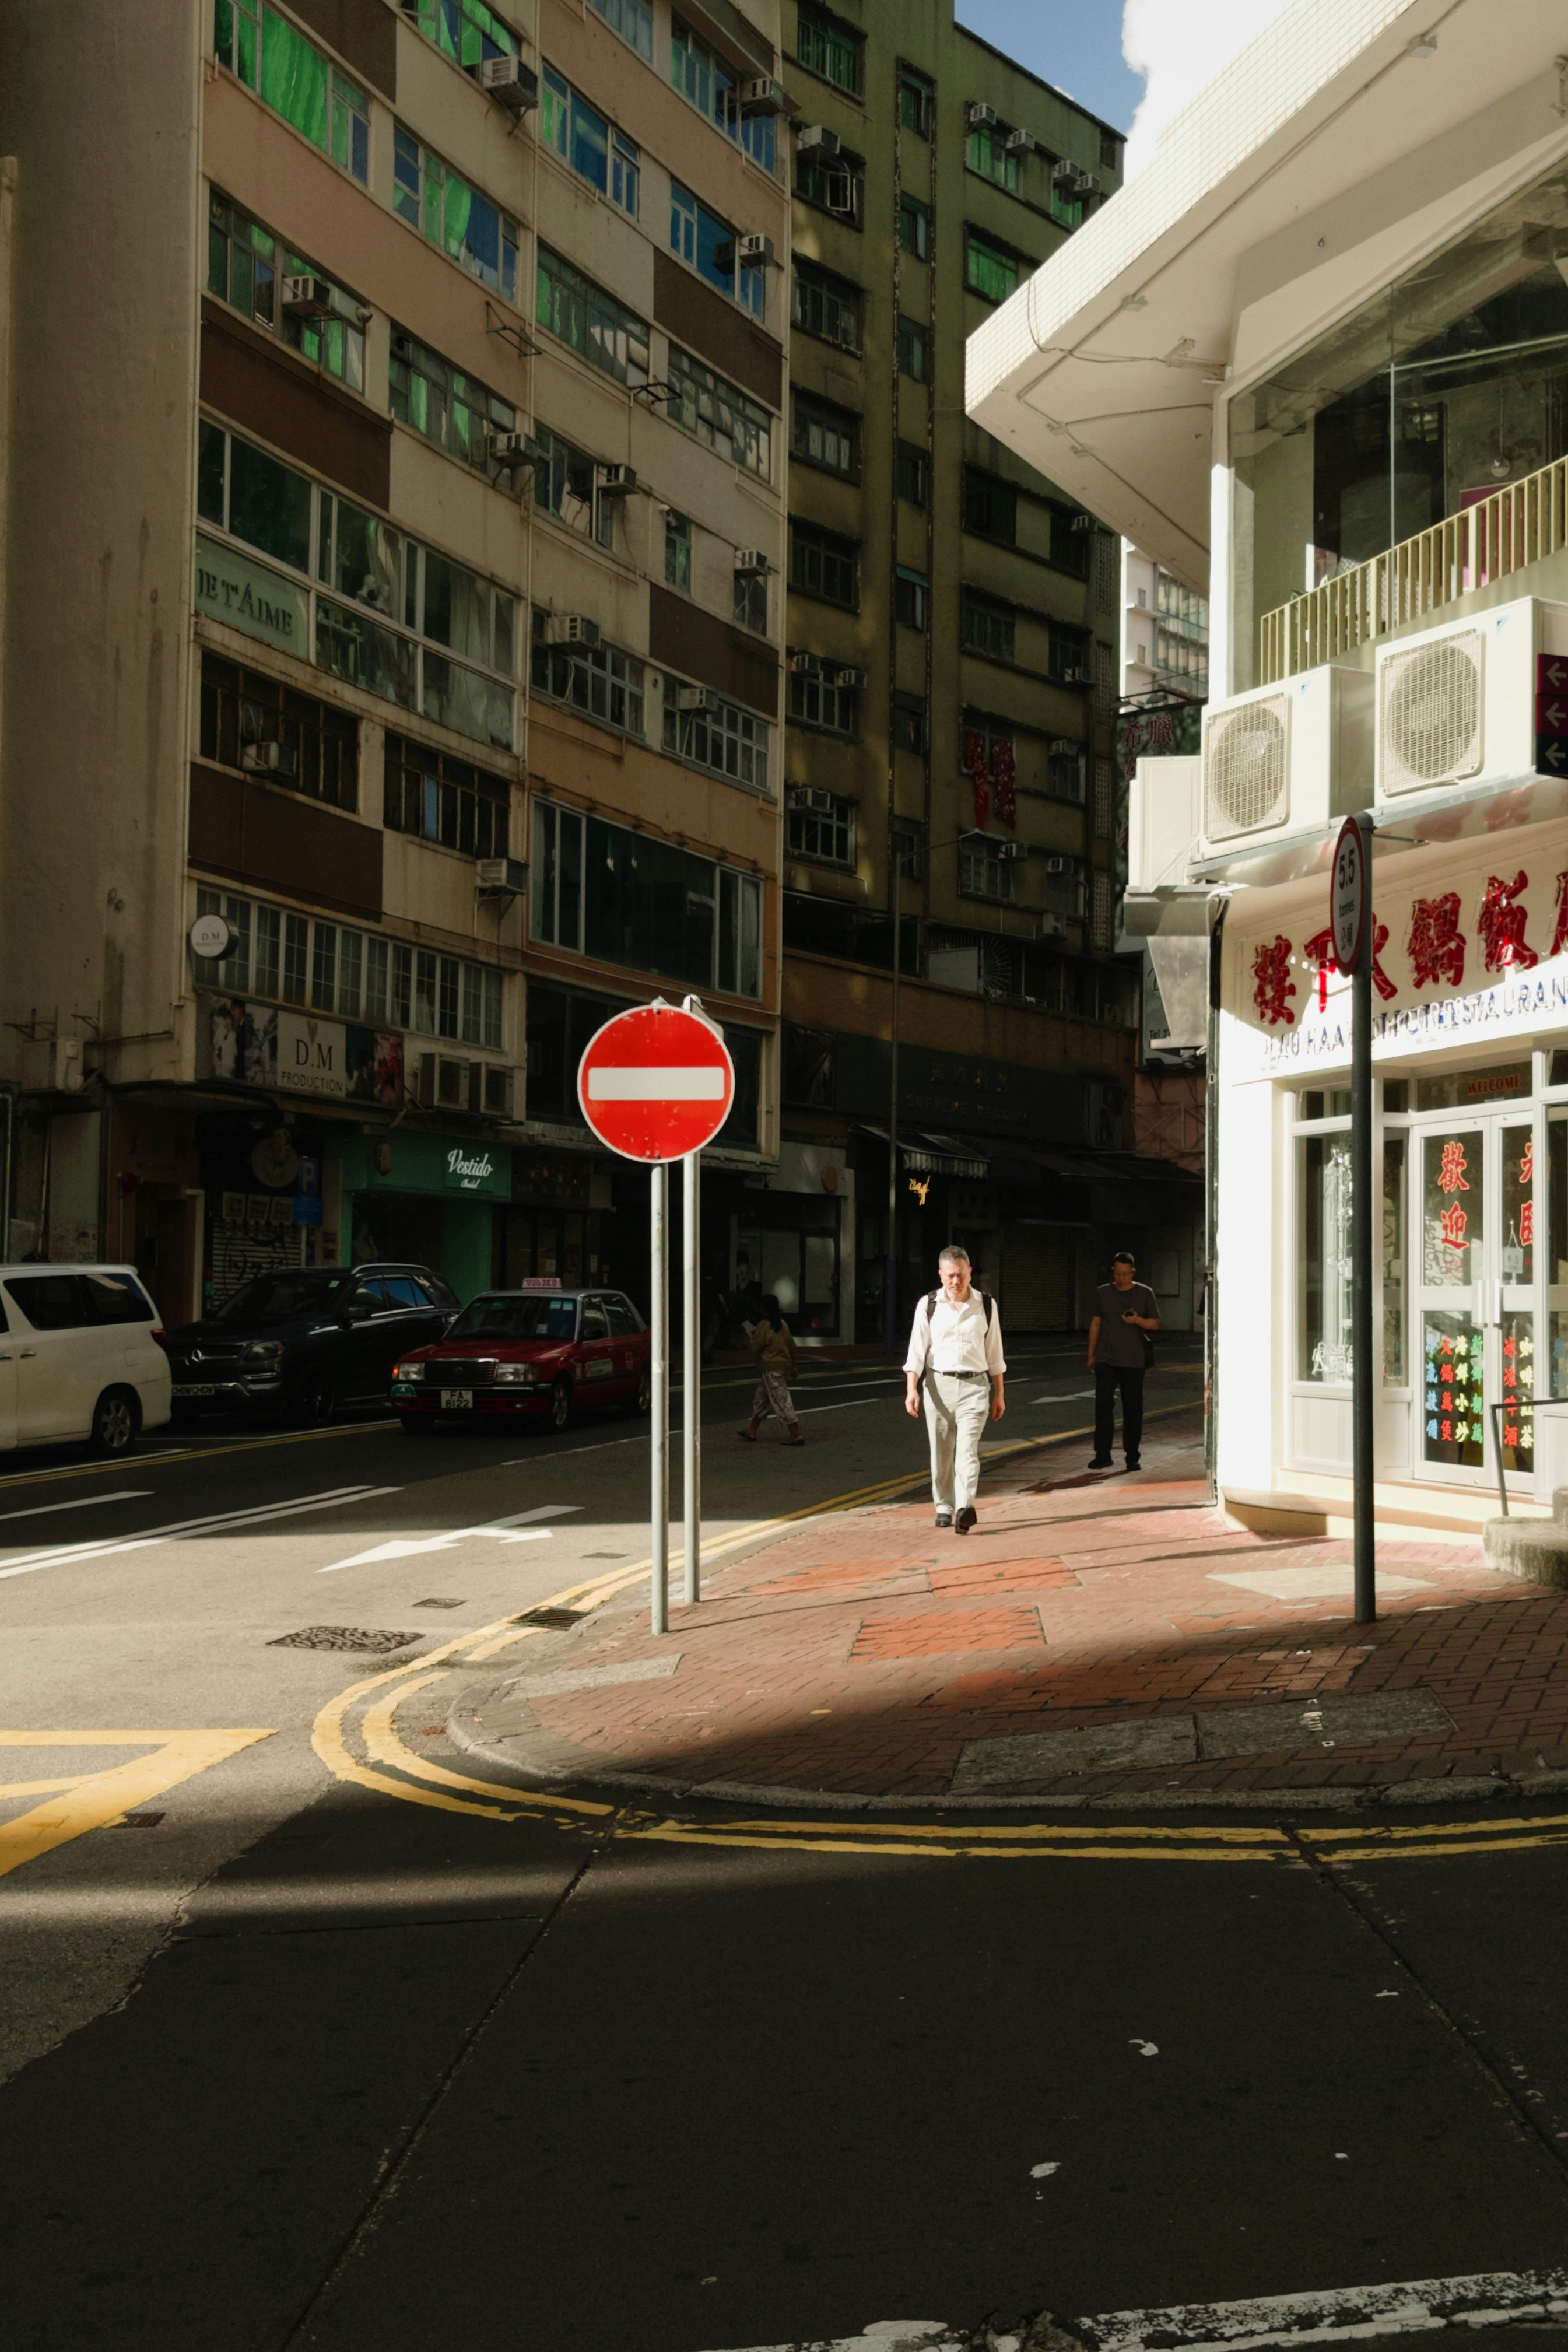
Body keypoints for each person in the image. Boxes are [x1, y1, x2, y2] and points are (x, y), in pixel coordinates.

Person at [903, 1243, 1006, 1534]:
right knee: (942, 1452)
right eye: (950, 1276)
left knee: (967, 1451)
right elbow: (916, 1352)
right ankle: (944, 1507)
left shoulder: (986, 1304)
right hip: (938, 1386)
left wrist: (999, 1393)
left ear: (970, 1272)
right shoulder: (929, 1305)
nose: (956, 1282)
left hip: (975, 1386)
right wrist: (912, 1390)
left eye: (961, 1275)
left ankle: (964, 1507)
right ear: (940, 1274)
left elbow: (995, 1354)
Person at [1087, 1250, 1160, 1472]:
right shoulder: (1103, 1293)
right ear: (1113, 1272)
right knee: (1103, 1406)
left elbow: (1155, 1324)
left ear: (1133, 1272)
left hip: (1133, 1360)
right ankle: (1102, 1454)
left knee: (1133, 1409)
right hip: (1106, 1358)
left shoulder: (1145, 1294)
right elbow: (1096, 1324)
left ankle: (1132, 1456)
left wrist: (1137, 1320)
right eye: (1117, 1274)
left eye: (1125, 1274)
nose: (1121, 1278)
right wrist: (1091, 1355)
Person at [740, 1294, 804, 1445]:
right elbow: (791, 1346)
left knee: (782, 1400)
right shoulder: (783, 1324)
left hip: (770, 1369)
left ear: (763, 1308)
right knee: (762, 1398)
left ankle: (796, 1434)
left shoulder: (763, 1325)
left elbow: (756, 1346)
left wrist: (749, 1334)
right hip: (781, 1367)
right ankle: (752, 1430)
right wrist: (794, 1366)